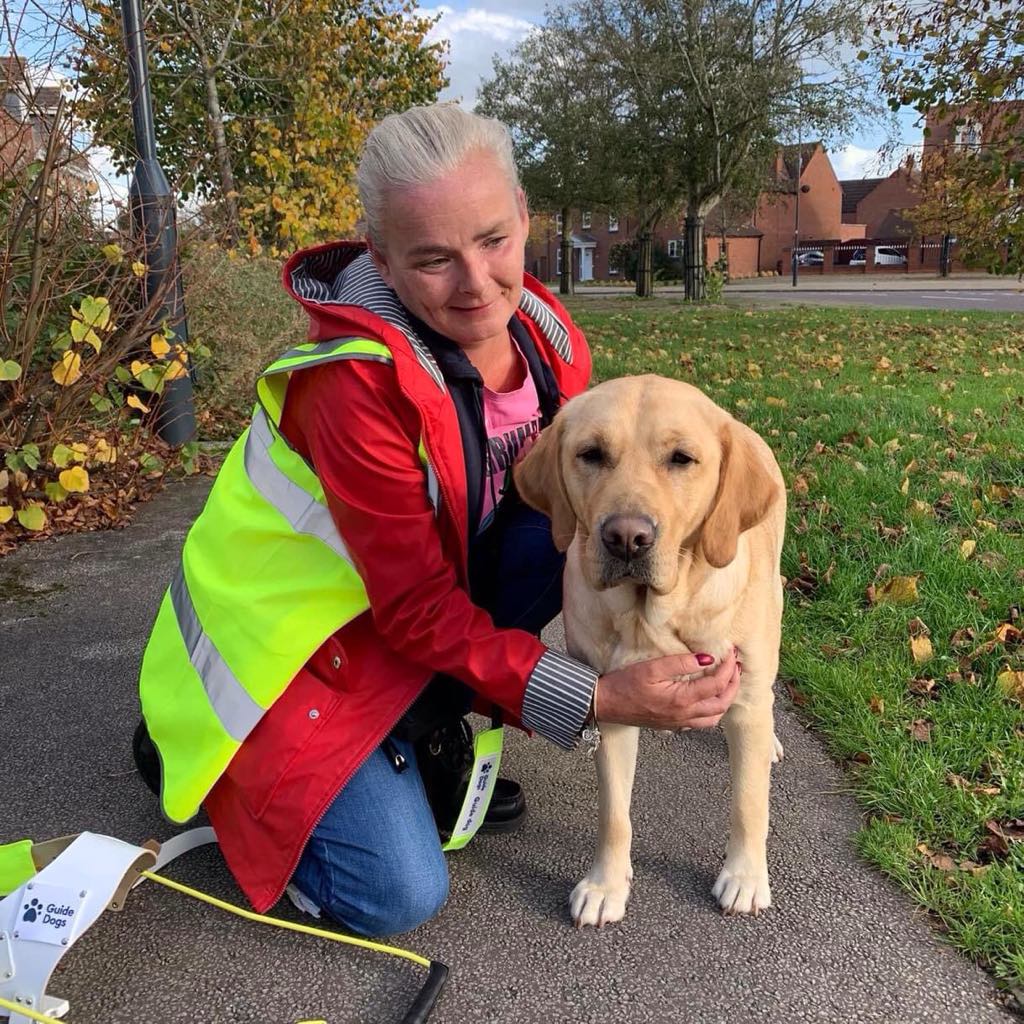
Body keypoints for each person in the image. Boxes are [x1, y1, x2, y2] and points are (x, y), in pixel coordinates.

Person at [133, 103, 741, 938]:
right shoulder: (353, 388)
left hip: (390, 629)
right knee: (396, 894)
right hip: (290, 665)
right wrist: (594, 697)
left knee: (561, 522)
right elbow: (418, 606)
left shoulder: (552, 343)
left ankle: (411, 729)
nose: (477, 284)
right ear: (380, 257)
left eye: (494, 240)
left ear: (524, 214)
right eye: (432, 259)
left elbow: (560, 529)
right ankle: (210, 765)